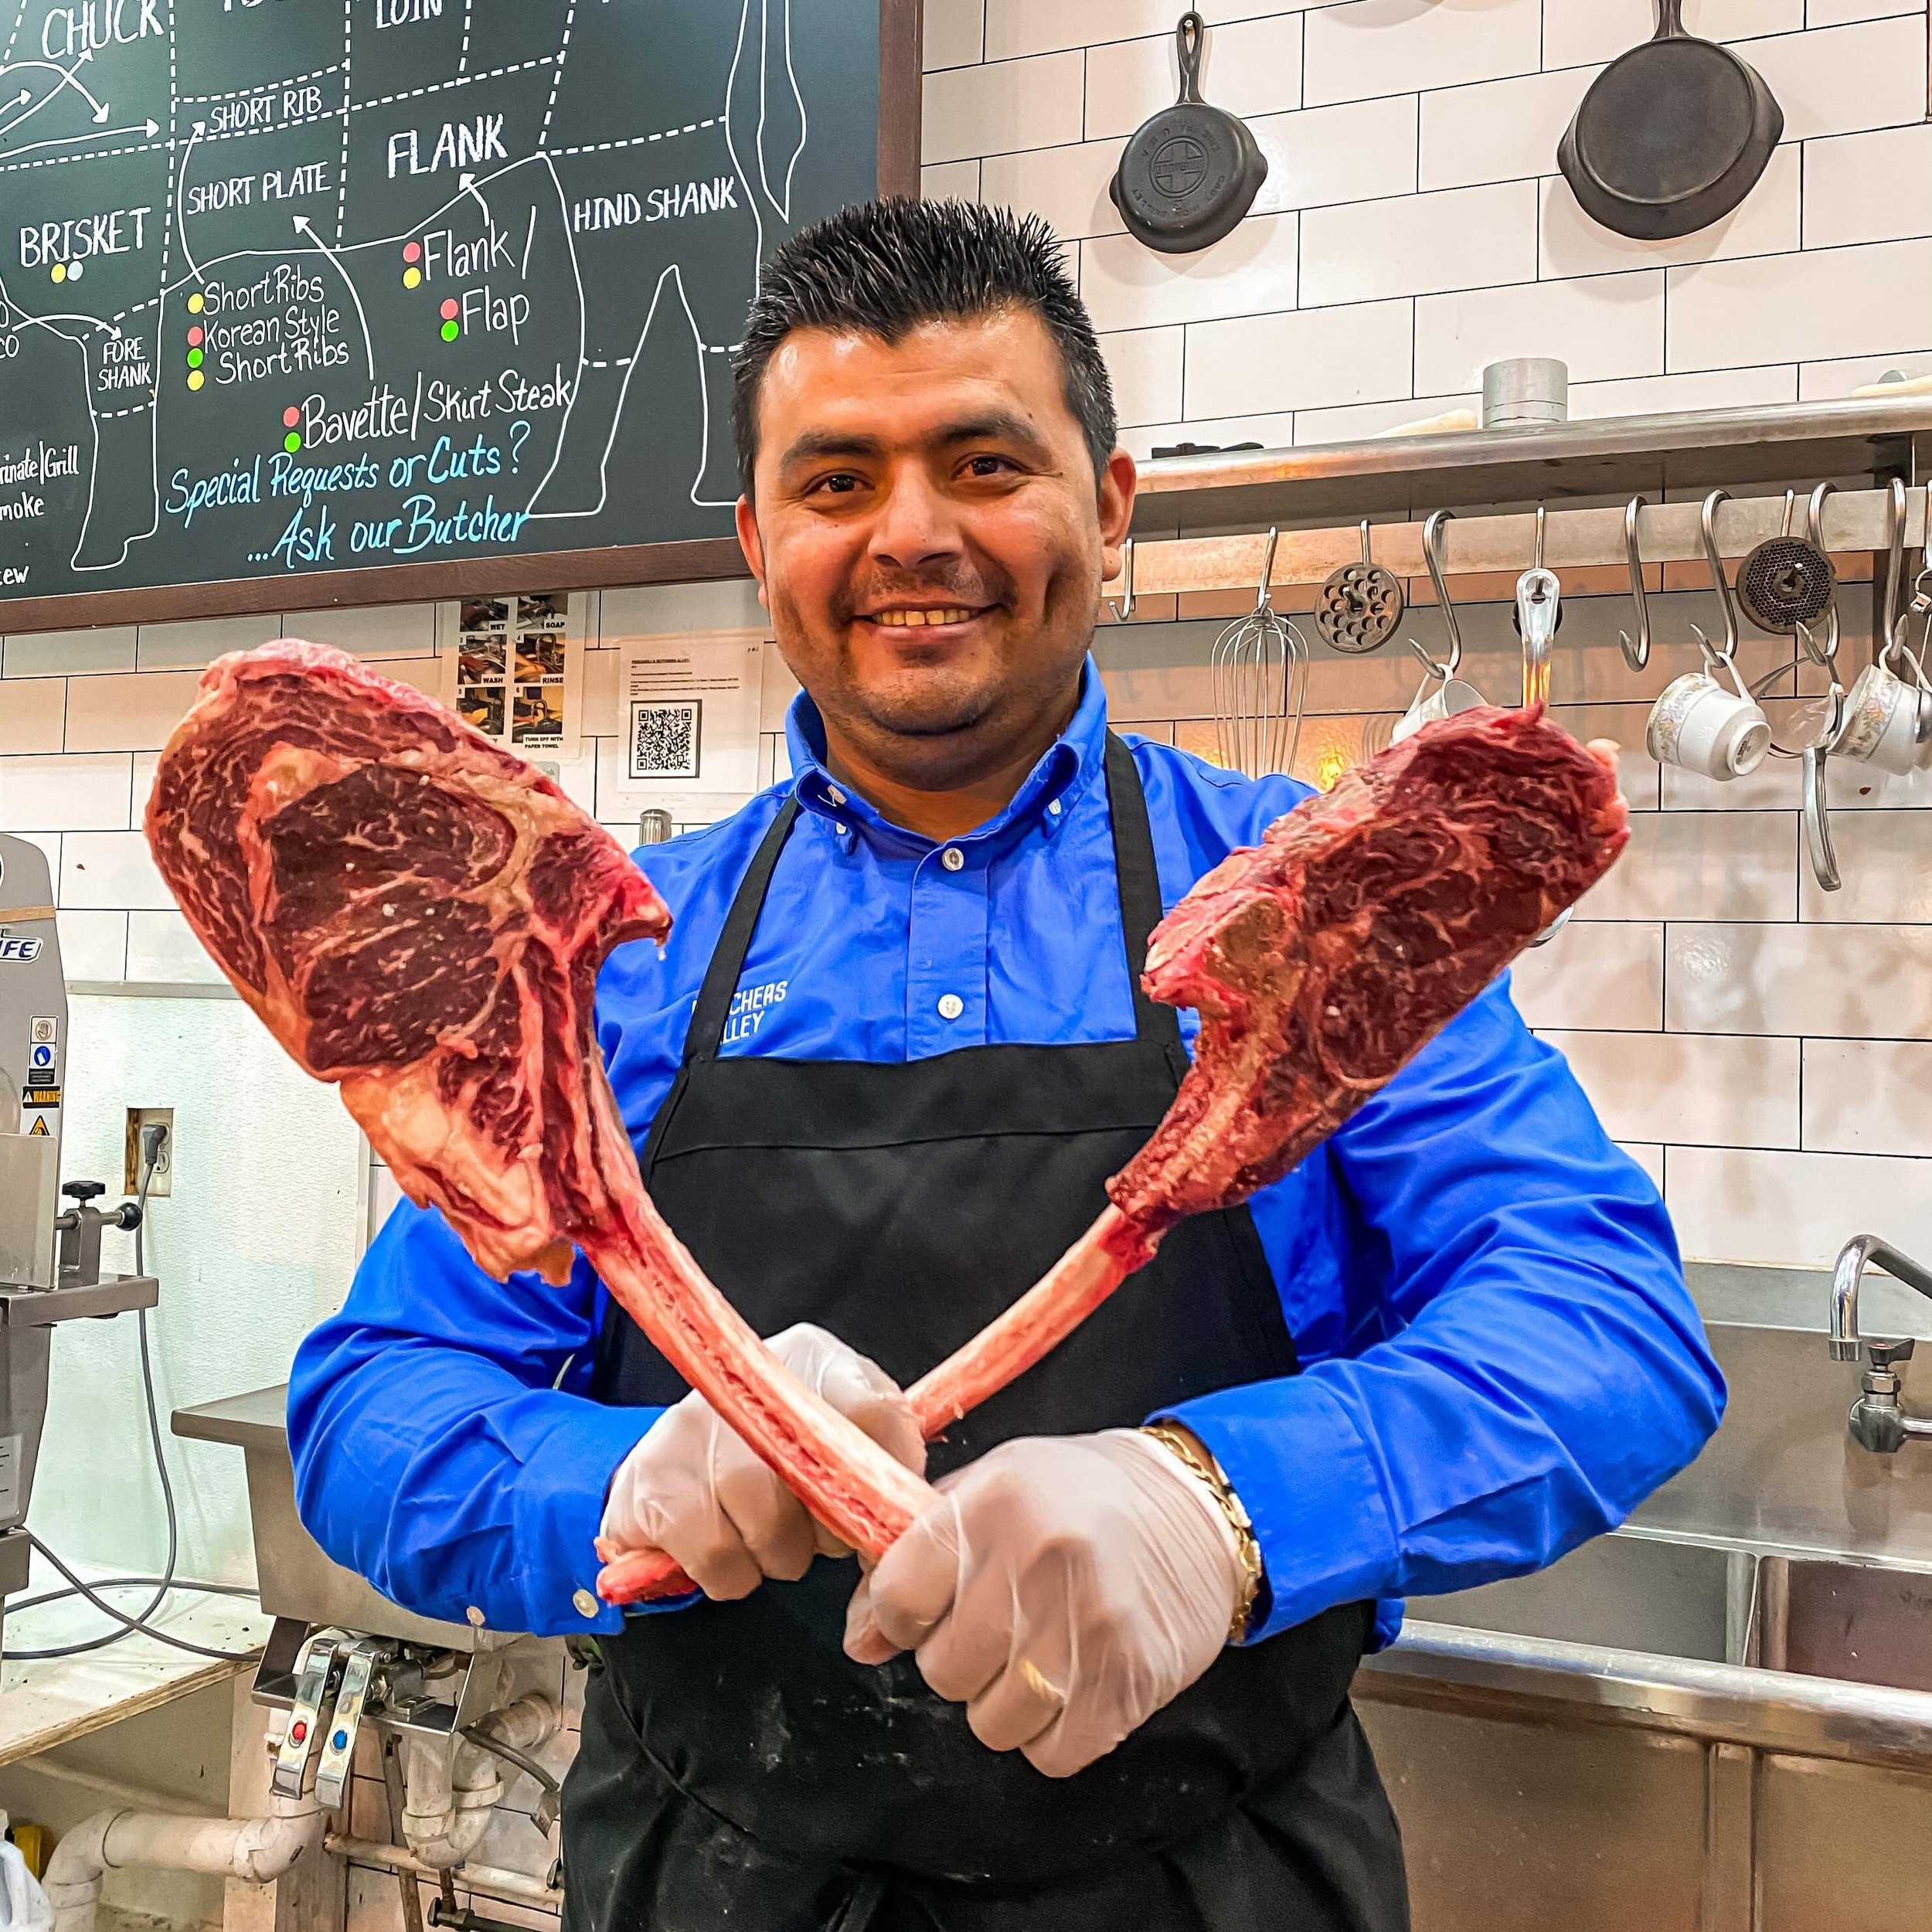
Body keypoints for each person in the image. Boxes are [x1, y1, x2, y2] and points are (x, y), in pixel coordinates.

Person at [288, 198, 1726, 1931]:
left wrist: (1215, 1501)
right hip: (712, 1885)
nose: (911, 535)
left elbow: (1603, 1322)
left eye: (983, 462)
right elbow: (374, 1400)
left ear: (1104, 506)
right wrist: (613, 1479)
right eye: (835, 483)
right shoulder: (621, 955)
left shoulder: (1301, 901)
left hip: (1213, 1886)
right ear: (758, 539)